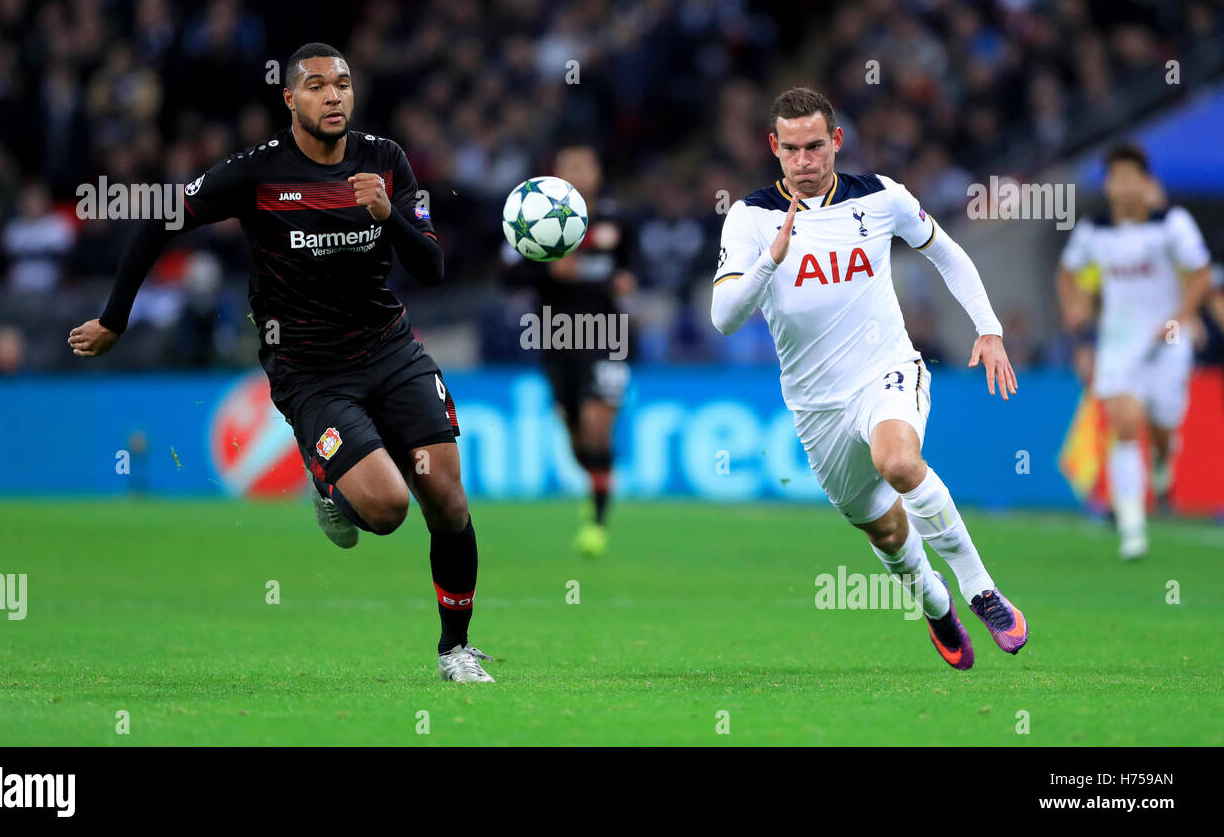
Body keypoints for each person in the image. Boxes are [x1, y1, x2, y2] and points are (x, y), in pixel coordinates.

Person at [68, 43, 495, 683]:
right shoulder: (258, 174)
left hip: (392, 351)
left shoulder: (386, 162)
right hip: (311, 372)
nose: (334, 96)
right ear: (290, 99)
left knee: (445, 495)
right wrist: (114, 319)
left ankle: (455, 650)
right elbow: (160, 219)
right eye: (317, 86)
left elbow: (431, 268)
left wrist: (389, 216)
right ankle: (328, 480)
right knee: (385, 510)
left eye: (343, 84)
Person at [711, 87, 1025, 671]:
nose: (804, 162)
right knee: (884, 532)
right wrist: (770, 260)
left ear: (836, 142)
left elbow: (948, 253)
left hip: (887, 370)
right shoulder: (751, 217)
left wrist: (988, 328)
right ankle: (935, 605)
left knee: (900, 463)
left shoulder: (881, 197)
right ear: (773, 148)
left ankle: (981, 589)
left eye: (815, 147)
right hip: (816, 405)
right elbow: (724, 318)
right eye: (791, 150)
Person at [1057, 142, 1212, 558]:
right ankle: (1132, 527)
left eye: (1131, 177)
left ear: (1146, 183)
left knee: (1161, 426)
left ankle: (1163, 460)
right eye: (1115, 177)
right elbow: (1068, 273)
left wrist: (1179, 316)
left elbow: (1200, 275)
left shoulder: (1172, 224)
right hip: (1118, 343)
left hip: (1168, 342)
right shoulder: (1093, 230)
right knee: (1125, 424)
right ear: (1108, 185)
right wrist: (1074, 307)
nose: (1123, 186)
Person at [501, 145, 635, 557]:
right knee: (576, 432)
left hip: (607, 333)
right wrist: (544, 268)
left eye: (586, 165)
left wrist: (627, 279)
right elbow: (505, 276)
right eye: (570, 167)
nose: (580, 173)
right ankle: (595, 480)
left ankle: (597, 524)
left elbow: (632, 264)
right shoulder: (531, 216)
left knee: (598, 423)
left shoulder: (614, 219)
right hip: (557, 336)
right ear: (556, 176)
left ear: (597, 173)